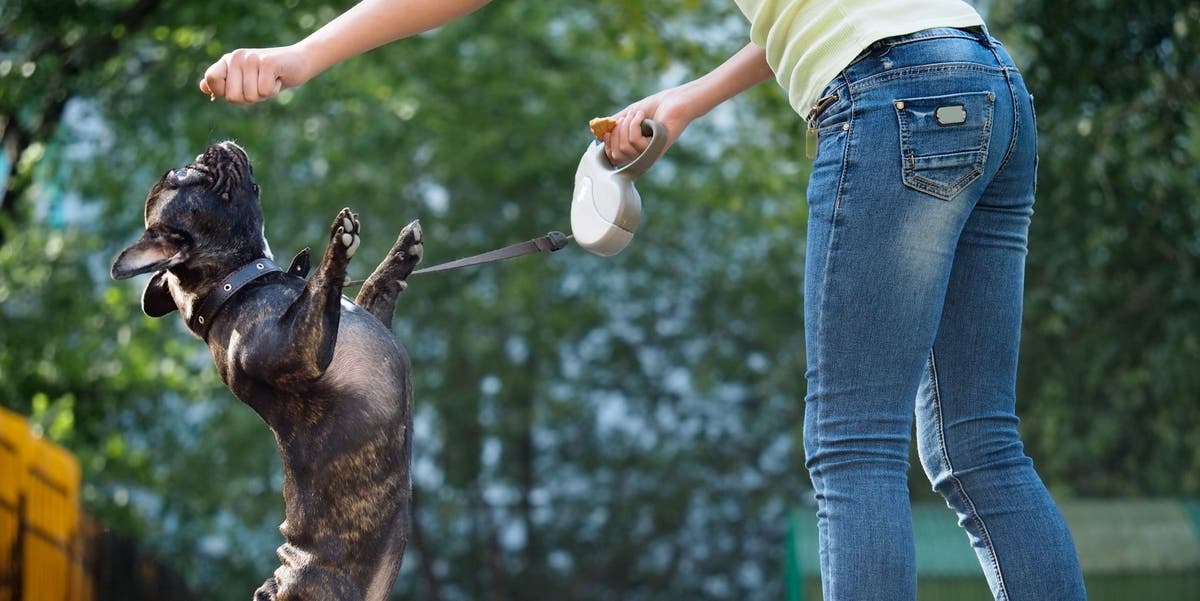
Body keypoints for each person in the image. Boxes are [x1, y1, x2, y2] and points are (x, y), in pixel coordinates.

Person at [202, 1, 1088, 599]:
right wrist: (690, 102)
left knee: (854, 451)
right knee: (977, 446)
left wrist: (302, 53)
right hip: (985, 85)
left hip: (887, 98)